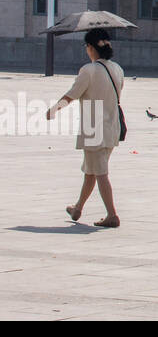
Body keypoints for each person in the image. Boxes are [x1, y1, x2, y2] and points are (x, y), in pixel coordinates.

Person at [47, 30, 124, 228]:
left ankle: (112, 214)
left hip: (94, 127)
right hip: (112, 125)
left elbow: (72, 94)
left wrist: (54, 109)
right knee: (92, 170)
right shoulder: (117, 69)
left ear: (90, 48)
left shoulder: (88, 71)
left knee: (100, 172)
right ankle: (77, 208)